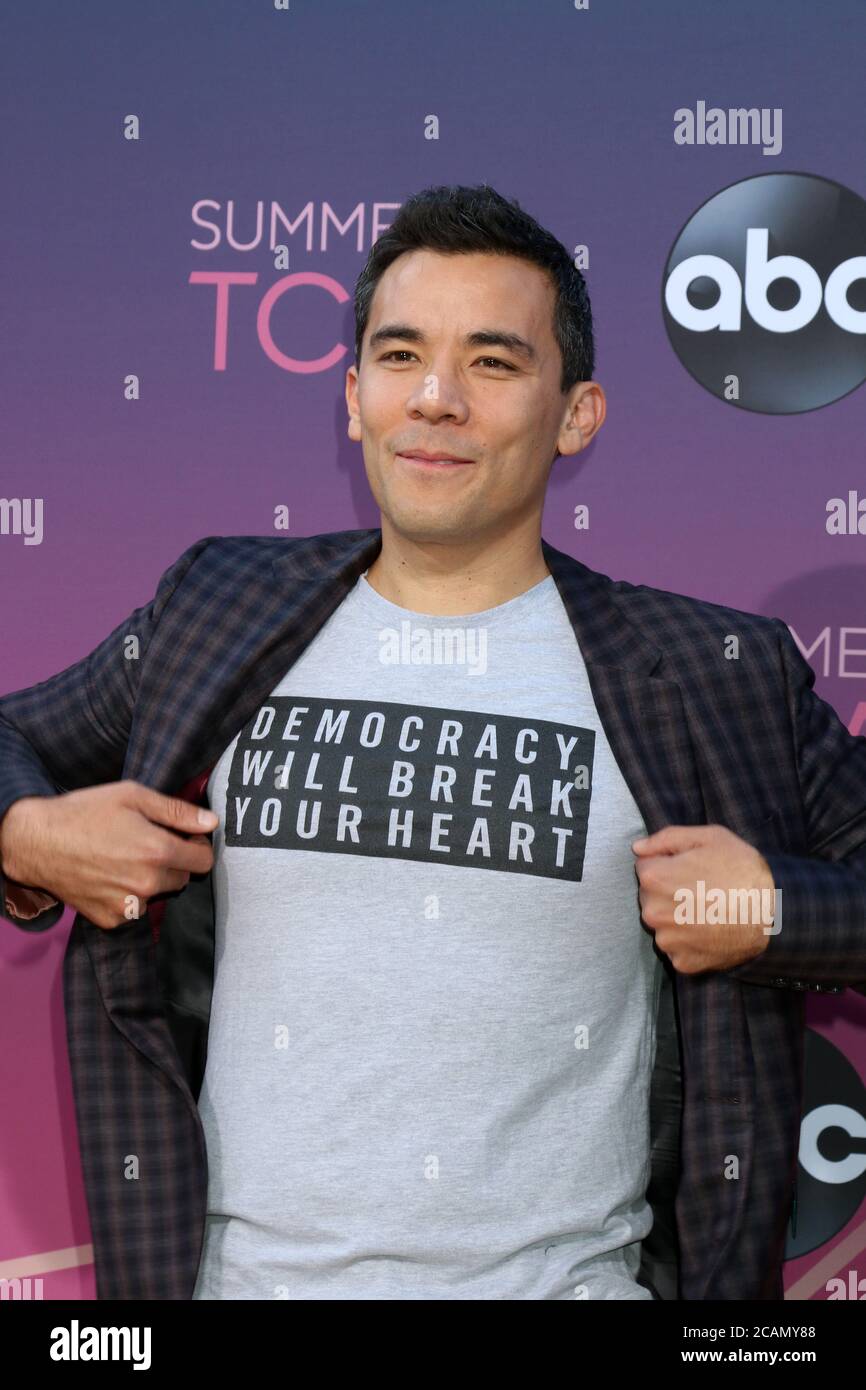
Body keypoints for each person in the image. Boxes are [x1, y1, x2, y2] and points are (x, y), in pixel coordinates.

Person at [1, 184, 864, 1302]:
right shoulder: (218, 607)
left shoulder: (713, 668)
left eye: (494, 363)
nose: (437, 399)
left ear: (575, 414)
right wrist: (25, 837)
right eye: (400, 356)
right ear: (353, 396)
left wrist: (776, 912)